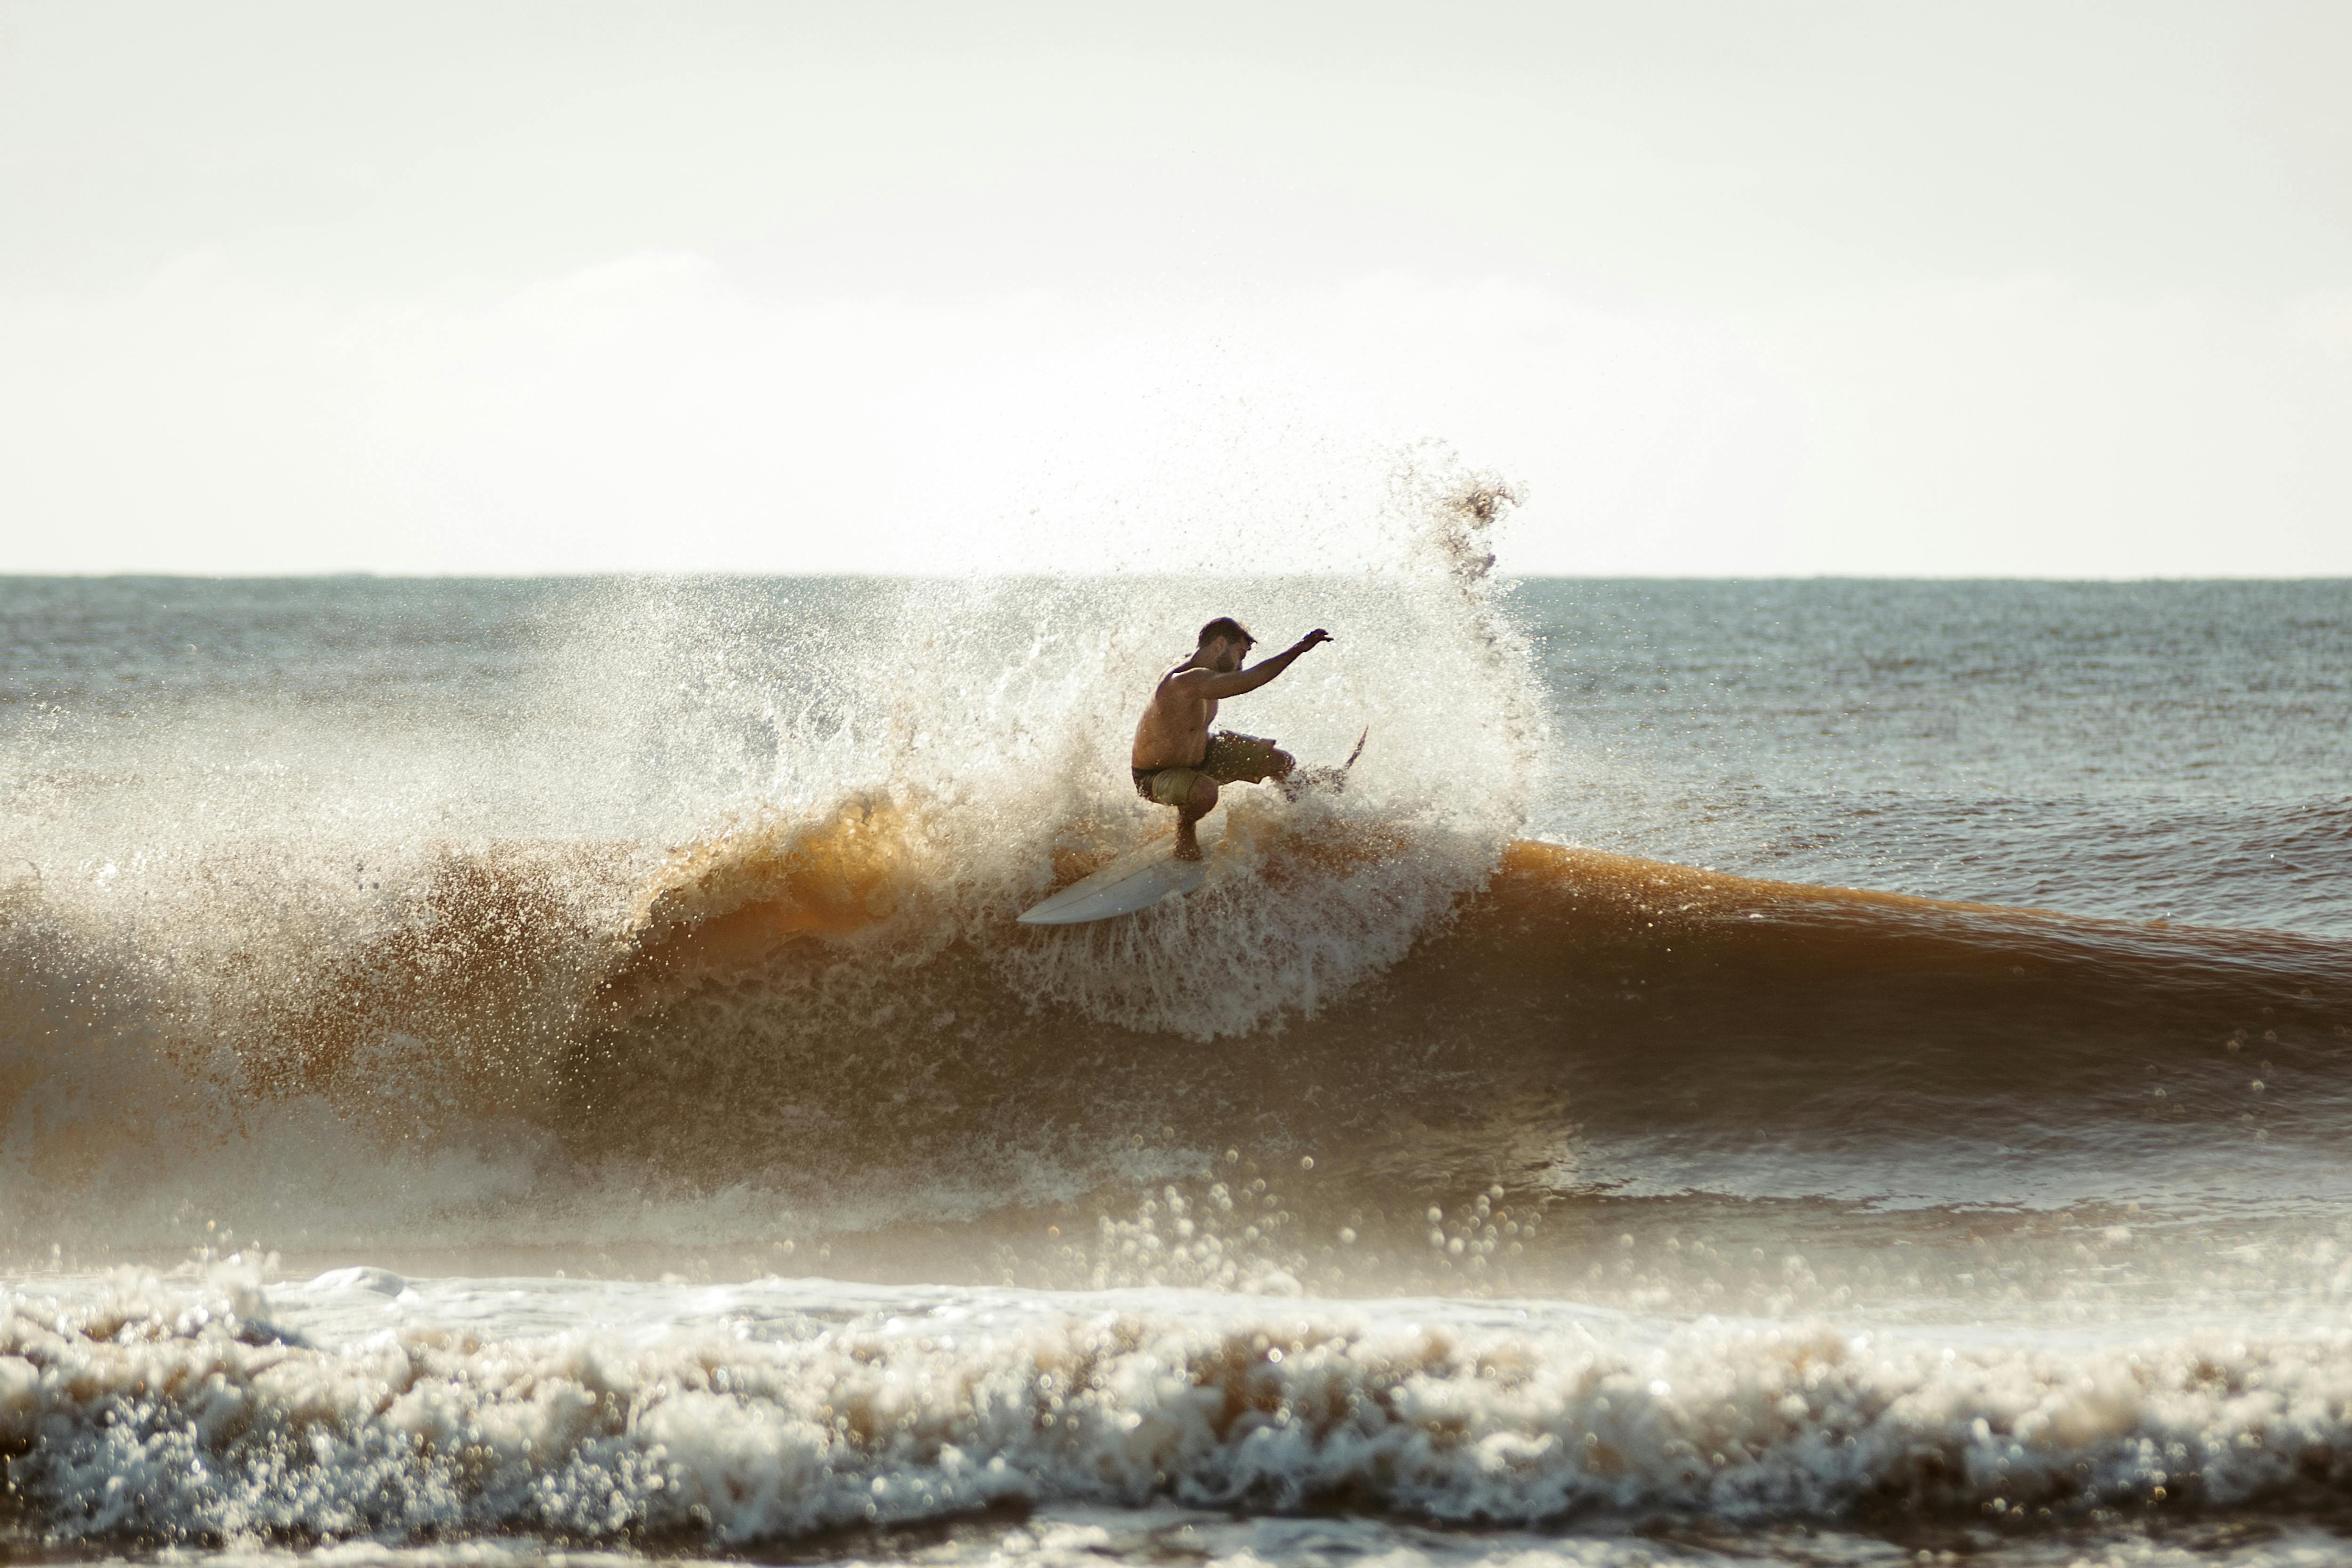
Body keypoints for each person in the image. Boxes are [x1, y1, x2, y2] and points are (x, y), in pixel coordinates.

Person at [1130, 617, 1332, 860]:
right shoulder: (1183, 682)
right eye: (1240, 654)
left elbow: (1194, 729)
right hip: (1155, 777)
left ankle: (1307, 821)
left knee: (1279, 761)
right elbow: (1249, 682)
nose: (1240, 666)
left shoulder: (1206, 675)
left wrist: (1242, 742)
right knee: (1205, 792)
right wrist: (1298, 649)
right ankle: (1185, 832)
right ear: (1219, 645)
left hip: (1203, 755)